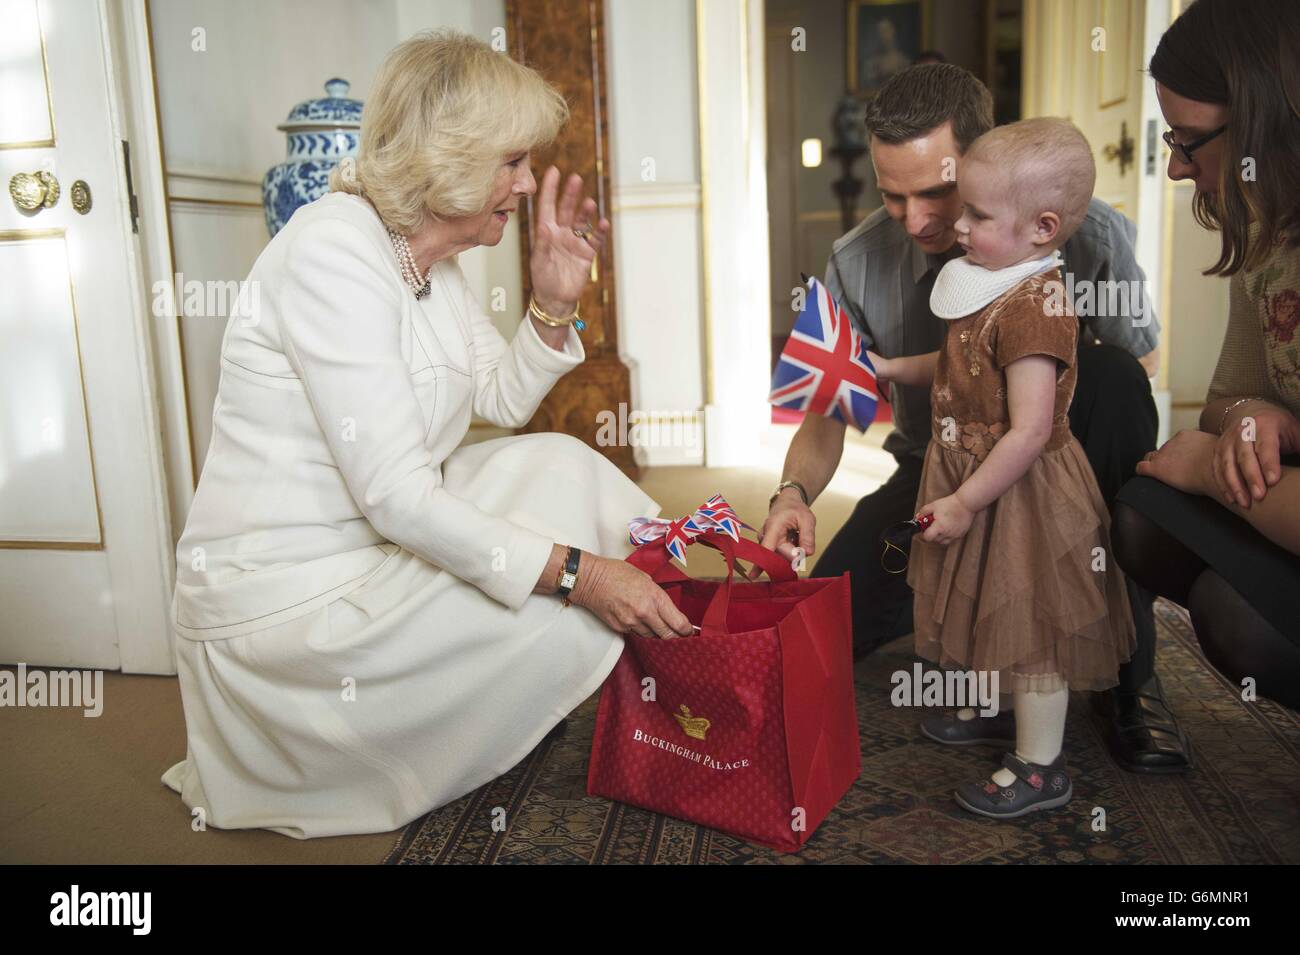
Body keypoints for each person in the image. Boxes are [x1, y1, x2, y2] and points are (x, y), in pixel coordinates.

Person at [162, 30, 693, 839]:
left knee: (559, 467)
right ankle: (646, 626)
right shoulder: (333, 251)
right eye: (511, 162)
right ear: (451, 157)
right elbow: (398, 498)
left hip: (373, 550)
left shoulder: (431, 260)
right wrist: (584, 577)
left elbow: (502, 397)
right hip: (287, 610)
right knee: (561, 593)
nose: (522, 183)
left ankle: (683, 589)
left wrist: (551, 300)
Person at [758, 63, 1191, 773]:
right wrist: (792, 493)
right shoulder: (853, 261)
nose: (921, 219)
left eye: (936, 190)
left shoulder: (1091, 234)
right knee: (818, 630)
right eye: (894, 196)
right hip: (936, 474)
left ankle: (1131, 672)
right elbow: (827, 409)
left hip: (1058, 469)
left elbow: (1138, 372)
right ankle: (980, 660)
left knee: (1111, 376)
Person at [871, 118, 1135, 817]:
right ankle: (1004, 713)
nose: (959, 226)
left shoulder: (1036, 306)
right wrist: (895, 368)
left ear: (1043, 228)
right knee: (990, 610)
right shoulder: (988, 274)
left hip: (1020, 490)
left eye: (980, 215)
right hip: (972, 475)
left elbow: (1028, 430)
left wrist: (965, 501)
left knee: (1034, 627)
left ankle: (1041, 764)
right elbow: (959, 363)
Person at [1113, 0, 1300, 710]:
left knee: (1236, 613)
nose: (1175, 167)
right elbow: (1223, 401)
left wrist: (1213, 472)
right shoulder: (1269, 231)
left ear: (1264, 121)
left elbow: (1205, 444)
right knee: (1141, 509)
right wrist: (1256, 415)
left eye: (1189, 142)